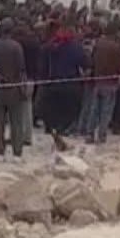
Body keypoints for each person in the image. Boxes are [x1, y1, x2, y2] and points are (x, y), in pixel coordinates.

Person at [0, 20, 27, 159]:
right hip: (14, 87)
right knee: (16, 122)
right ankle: (17, 152)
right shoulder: (17, 47)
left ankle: (0, 151)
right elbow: (21, 70)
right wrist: (23, 88)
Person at [41, 20, 86, 150]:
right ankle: (60, 134)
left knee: (54, 114)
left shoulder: (49, 46)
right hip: (71, 85)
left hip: (52, 84)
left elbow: (43, 65)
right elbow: (85, 64)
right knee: (70, 113)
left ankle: (56, 133)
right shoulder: (76, 47)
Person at [87, 21, 120, 144]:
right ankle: (101, 135)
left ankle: (89, 134)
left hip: (97, 81)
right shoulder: (116, 47)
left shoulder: (98, 44)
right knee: (106, 111)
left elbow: (91, 60)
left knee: (94, 109)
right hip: (110, 82)